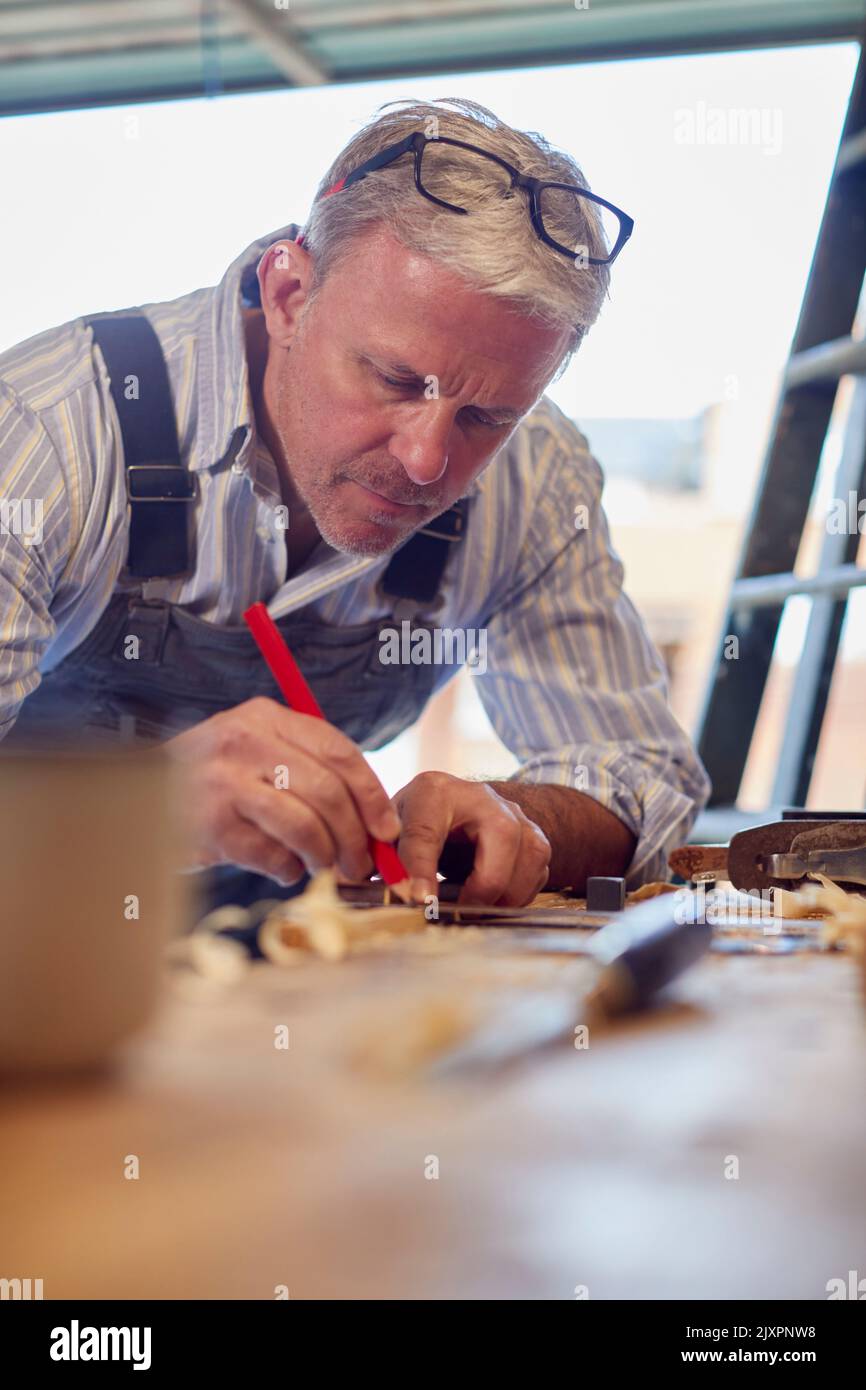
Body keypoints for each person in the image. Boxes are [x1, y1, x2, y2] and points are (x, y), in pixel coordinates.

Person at [0, 97, 709, 911]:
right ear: (291, 294)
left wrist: (523, 821)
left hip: (307, 961)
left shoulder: (537, 480)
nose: (427, 460)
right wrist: (142, 802)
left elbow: (641, 777)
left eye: (486, 418)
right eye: (396, 380)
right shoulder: (45, 433)